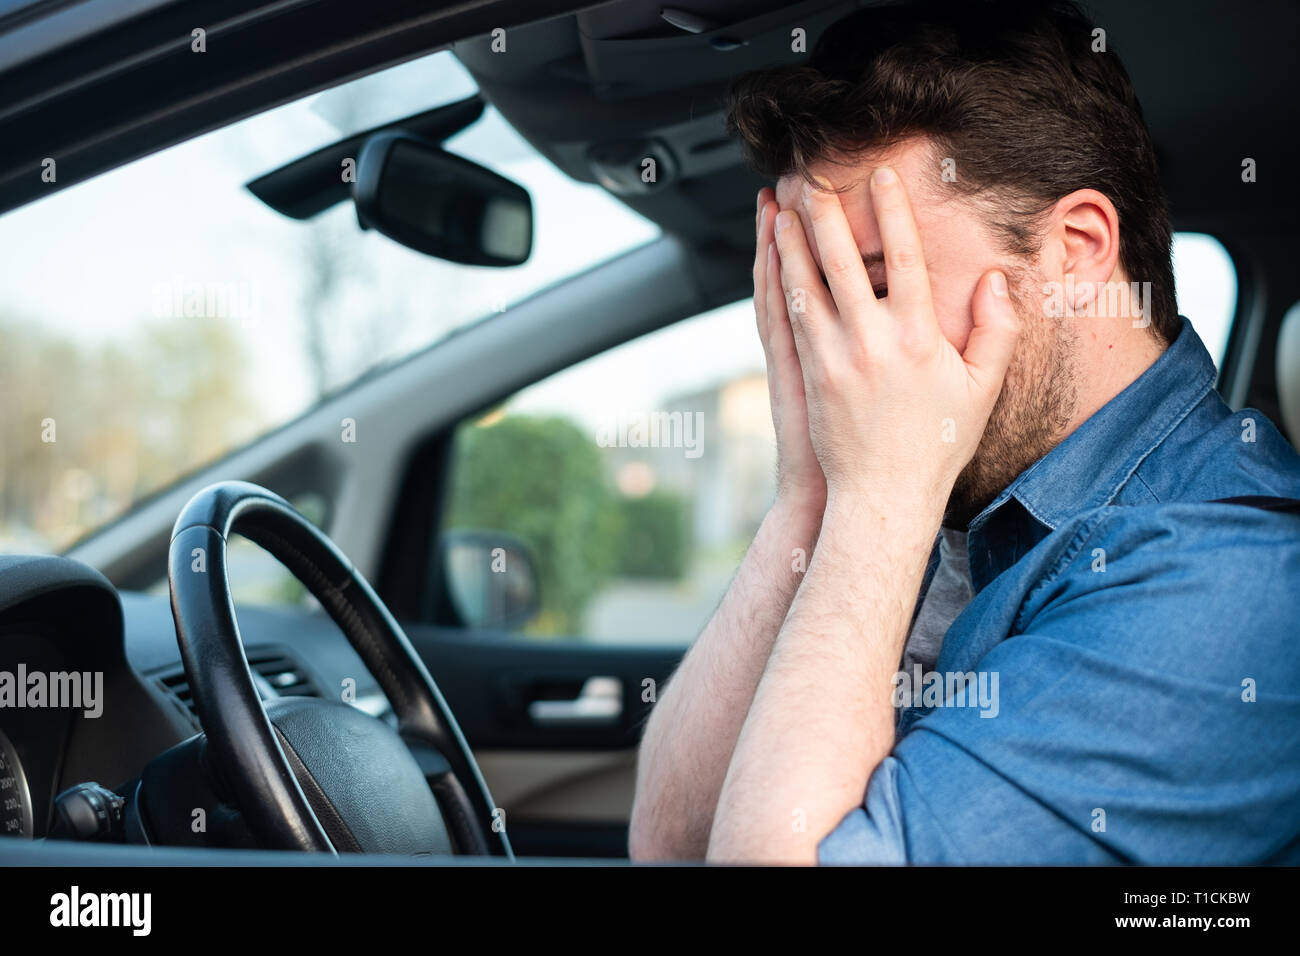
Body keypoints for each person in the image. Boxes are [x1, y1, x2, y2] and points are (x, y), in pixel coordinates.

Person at [629, 0, 1300, 865]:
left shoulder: (1227, 584)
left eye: (873, 281)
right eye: (812, 293)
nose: (832, 343)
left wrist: (871, 501)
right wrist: (812, 492)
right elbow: (670, 847)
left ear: (1076, 251)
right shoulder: (940, 483)